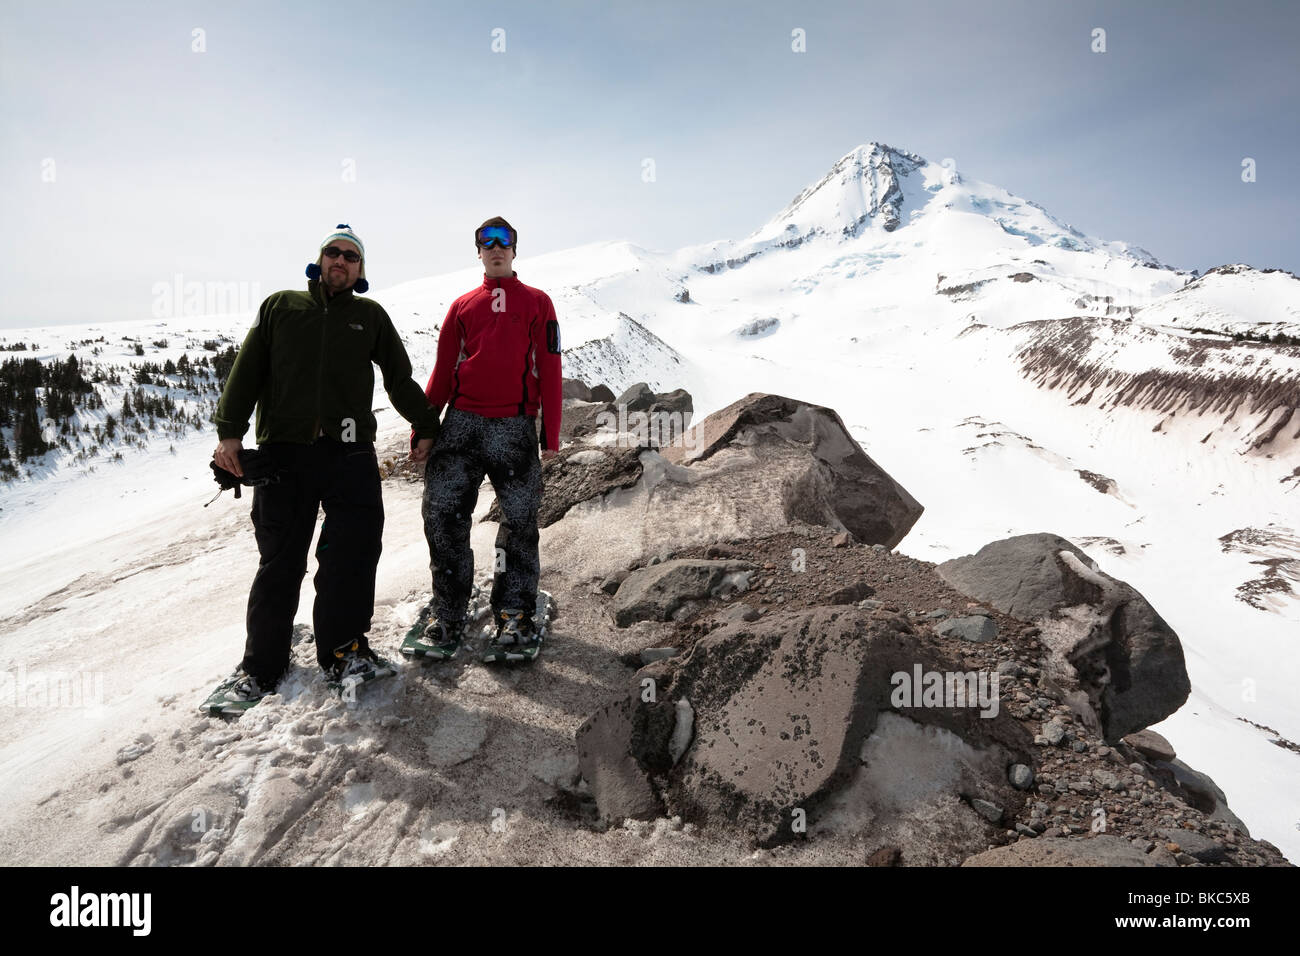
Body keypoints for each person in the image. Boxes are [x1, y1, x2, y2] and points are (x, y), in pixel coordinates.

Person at [206, 224, 442, 712]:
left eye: (351, 256)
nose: (341, 260)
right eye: (334, 252)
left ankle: (344, 651)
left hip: (349, 455)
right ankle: (261, 667)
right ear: (319, 260)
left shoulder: (369, 315)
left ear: (361, 271)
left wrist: (425, 425)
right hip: (283, 455)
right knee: (279, 562)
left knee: (351, 555)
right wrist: (230, 429)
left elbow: (399, 377)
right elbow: (247, 370)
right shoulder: (281, 306)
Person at [409, 216, 561, 663]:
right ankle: (448, 610)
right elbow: (441, 373)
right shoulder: (461, 306)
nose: (496, 247)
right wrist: (424, 428)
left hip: (514, 428)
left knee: (519, 522)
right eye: (486, 242)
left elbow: (550, 367)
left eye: (504, 241)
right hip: (461, 425)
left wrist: (550, 435)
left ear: (514, 249)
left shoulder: (538, 302)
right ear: (478, 251)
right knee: (443, 515)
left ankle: (514, 611)